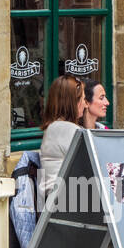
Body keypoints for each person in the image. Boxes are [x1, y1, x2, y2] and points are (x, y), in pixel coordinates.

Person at [38, 75, 87, 209]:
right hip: (66, 203)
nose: (85, 104)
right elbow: (92, 163)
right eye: (83, 99)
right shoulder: (68, 129)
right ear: (73, 102)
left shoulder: (55, 127)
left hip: (62, 200)